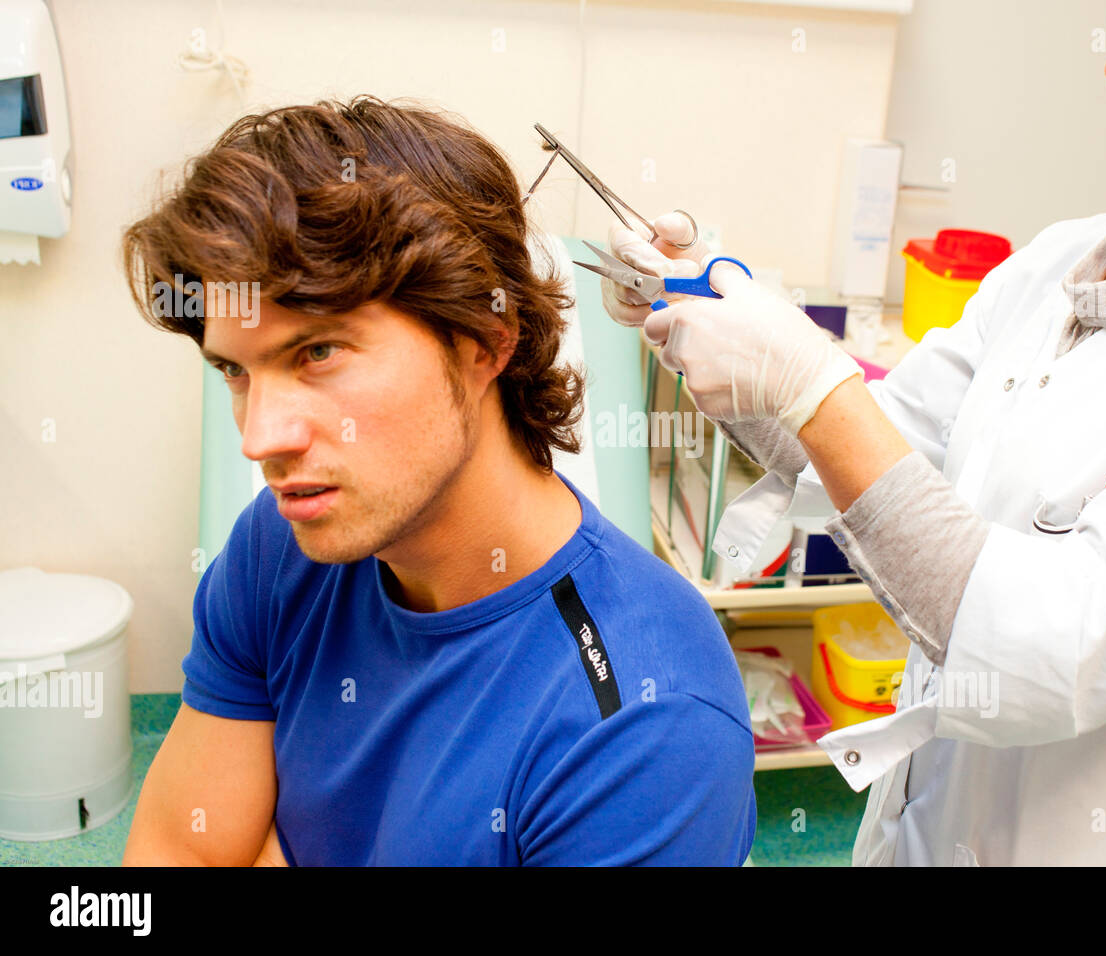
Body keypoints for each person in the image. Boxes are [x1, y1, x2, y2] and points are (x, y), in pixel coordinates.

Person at [602, 0, 1106, 865]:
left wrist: (809, 383)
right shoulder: (1060, 261)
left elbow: (1053, 646)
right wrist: (708, 326)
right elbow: (874, 455)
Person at [119, 96, 756, 866]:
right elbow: (179, 851)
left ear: (483, 343)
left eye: (317, 352)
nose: (261, 439)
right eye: (234, 370)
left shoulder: (645, 724)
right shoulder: (279, 545)